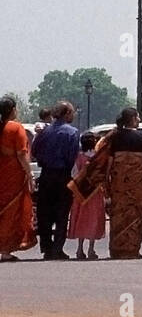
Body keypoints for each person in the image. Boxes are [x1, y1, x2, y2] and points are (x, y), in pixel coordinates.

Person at [105, 108, 142, 259]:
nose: (139, 120)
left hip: (119, 185)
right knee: (136, 216)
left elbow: (110, 162)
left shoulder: (115, 138)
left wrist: (106, 181)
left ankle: (116, 249)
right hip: (137, 186)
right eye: (138, 117)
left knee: (118, 215)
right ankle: (131, 250)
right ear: (133, 119)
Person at [32, 101, 80, 259]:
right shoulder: (72, 132)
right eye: (72, 112)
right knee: (61, 214)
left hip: (46, 175)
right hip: (63, 175)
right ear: (66, 114)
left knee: (44, 213)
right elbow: (71, 156)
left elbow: (35, 150)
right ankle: (58, 248)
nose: (73, 115)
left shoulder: (44, 132)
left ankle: (47, 248)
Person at [0, 97, 36, 262]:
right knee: (11, 213)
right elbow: (22, 154)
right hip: (12, 176)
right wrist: (29, 174)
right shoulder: (15, 128)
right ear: (13, 109)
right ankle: (6, 250)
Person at [68, 130, 106, 259]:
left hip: (80, 193)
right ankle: (91, 249)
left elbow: (74, 174)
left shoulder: (78, 157)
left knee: (81, 219)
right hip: (95, 194)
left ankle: (79, 249)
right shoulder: (97, 159)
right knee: (94, 220)